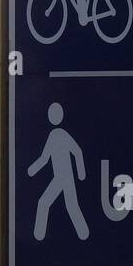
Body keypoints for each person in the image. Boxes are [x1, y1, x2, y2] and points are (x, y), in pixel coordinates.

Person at [28, 101, 89, 241]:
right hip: (60, 178)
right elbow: (44, 159)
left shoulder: (61, 135)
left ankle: (84, 235)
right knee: (45, 203)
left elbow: (77, 151)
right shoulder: (53, 136)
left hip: (66, 178)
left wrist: (81, 174)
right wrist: (32, 170)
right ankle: (39, 237)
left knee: (70, 206)